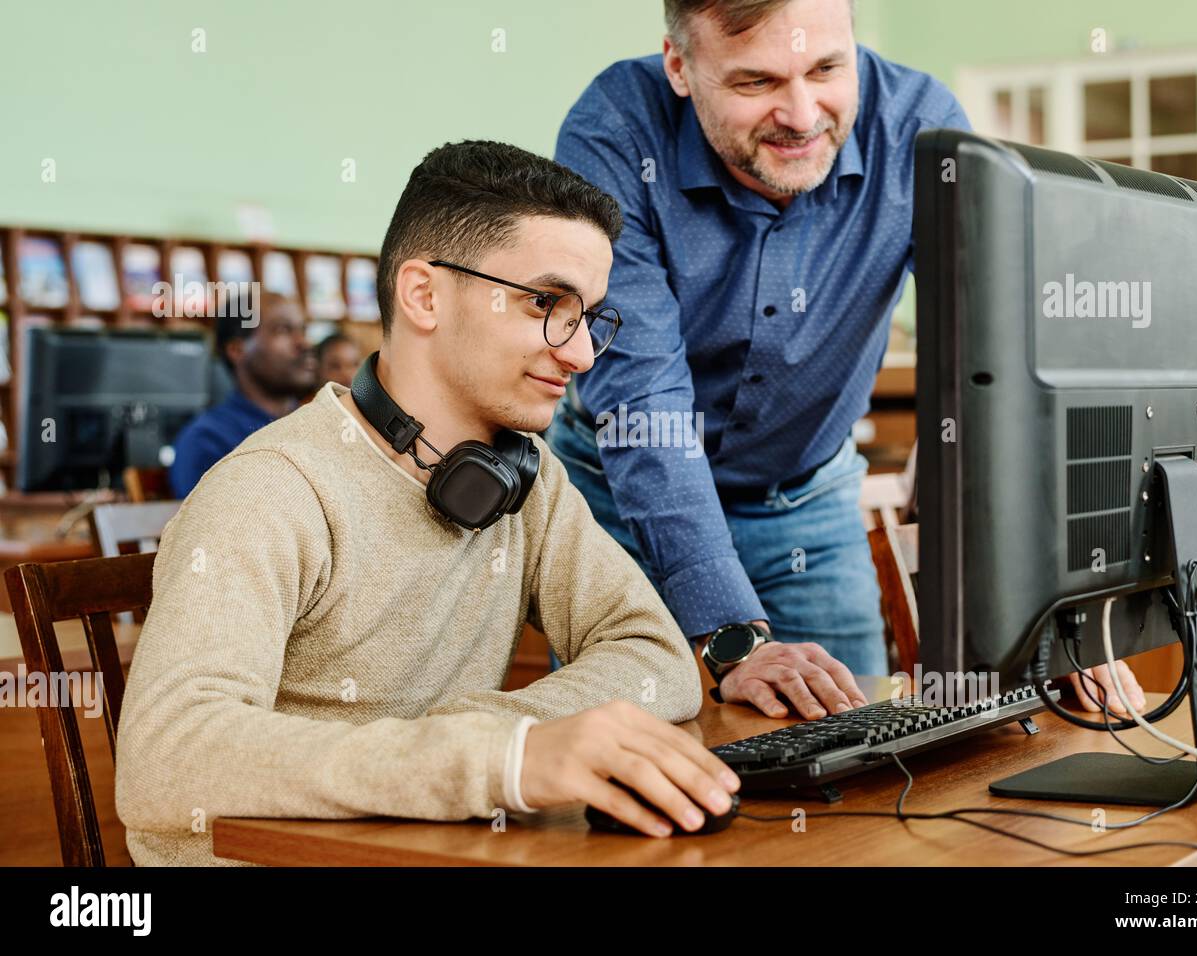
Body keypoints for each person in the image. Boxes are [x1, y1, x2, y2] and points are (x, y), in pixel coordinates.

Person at [114, 141, 741, 865]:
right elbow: (167, 760)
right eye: (546, 303)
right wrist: (497, 760)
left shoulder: (525, 477)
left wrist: (508, 741)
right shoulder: (271, 487)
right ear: (424, 296)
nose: (581, 356)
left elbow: (656, 657)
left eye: (589, 316)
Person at [549, 0, 1147, 719]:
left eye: (827, 68)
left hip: (809, 499)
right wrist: (731, 640)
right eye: (755, 84)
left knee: (858, 752)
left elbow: (1006, 358)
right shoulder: (614, 130)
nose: (802, 115)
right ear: (680, 66)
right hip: (625, 497)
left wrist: (1061, 600)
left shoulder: (921, 127)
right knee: (633, 761)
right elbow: (644, 399)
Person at [169, 292, 317, 496]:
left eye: (303, 330)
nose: (304, 343)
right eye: (283, 330)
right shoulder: (208, 440)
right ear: (237, 349)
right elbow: (211, 525)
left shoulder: (320, 423)